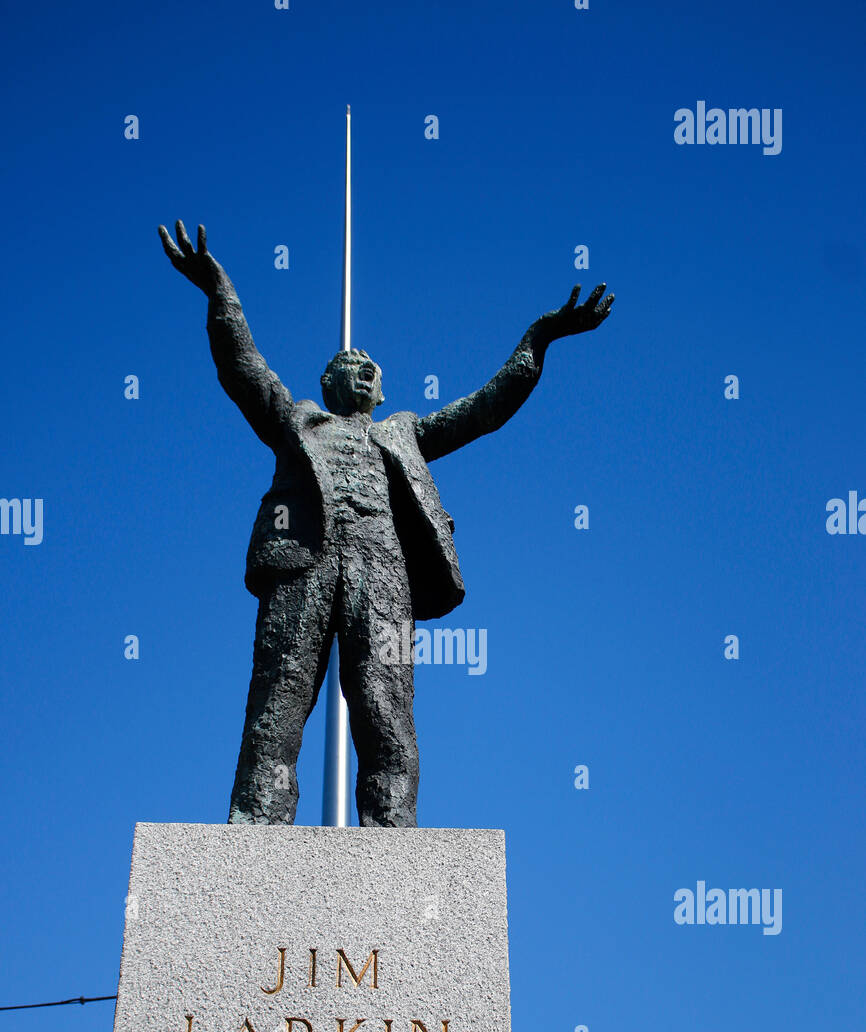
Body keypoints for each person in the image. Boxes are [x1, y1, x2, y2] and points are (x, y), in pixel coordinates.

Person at [158, 220, 614, 825]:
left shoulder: (405, 434)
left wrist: (539, 339)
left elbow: (484, 409)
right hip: (302, 566)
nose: (367, 369)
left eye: (374, 365)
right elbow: (242, 365)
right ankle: (255, 827)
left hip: (382, 575)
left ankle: (391, 833)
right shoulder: (297, 421)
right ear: (329, 383)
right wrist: (219, 289)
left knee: (385, 708)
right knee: (279, 699)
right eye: (353, 363)